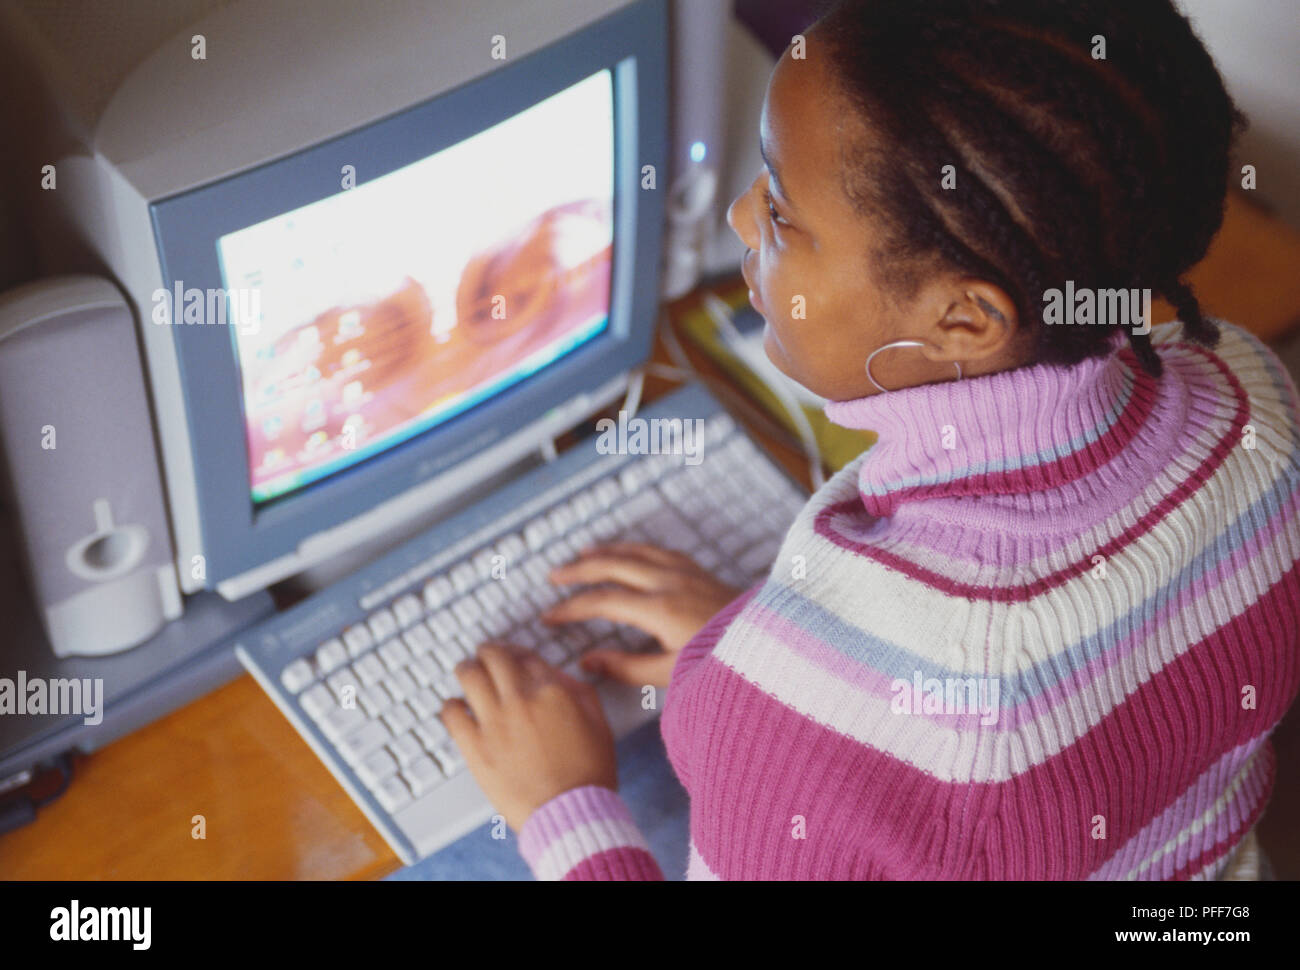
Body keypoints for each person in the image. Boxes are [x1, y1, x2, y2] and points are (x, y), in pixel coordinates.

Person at [437, 0, 1300, 879]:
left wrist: (564, 807)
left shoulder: (802, 756)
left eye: (781, 211)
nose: (741, 219)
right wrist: (781, 660)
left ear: (963, 319)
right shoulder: (1250, 394)